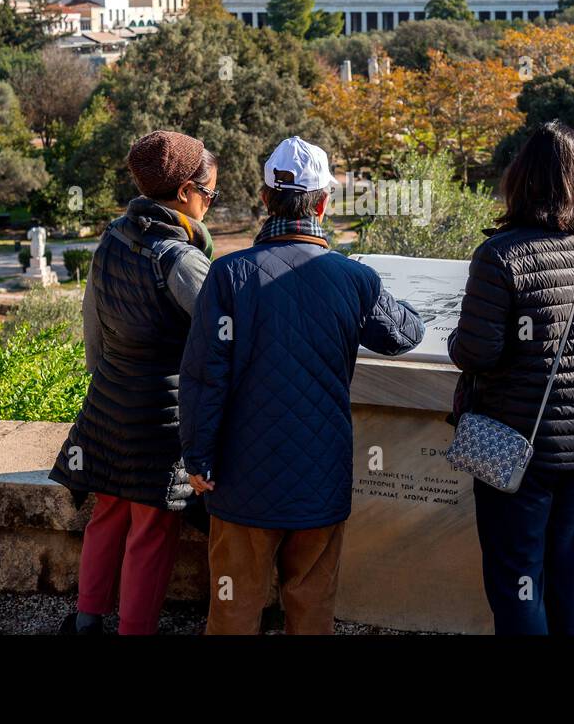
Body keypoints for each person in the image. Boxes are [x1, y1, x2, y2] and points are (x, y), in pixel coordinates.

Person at [179, 136, 425, 635]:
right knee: (312, 604)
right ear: (324, 203)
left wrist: (199, 459)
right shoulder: (351, 278)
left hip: (240, 476)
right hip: (321, 475)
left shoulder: (228, 275)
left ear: (266, 198)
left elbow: (205, 376)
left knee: (233, 605)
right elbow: (404, 335)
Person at [447, 121, 574, 635]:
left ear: (521, 180)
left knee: (516, 581)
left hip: (514, 443)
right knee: (562, 575)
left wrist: (453, 343)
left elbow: (476, 354)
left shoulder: (501, 255)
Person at [50, 130, 219, 636]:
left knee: (108, 510)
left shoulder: (115, 236)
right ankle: (135, 630)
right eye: (209, 194)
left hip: (108, 402)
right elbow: (223, 334)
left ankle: (85, 620)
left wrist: (107, 377)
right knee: (151, 526)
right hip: (159, 414)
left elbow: (92, 325)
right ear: (186, 192)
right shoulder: (181, 258)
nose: (210, 205)